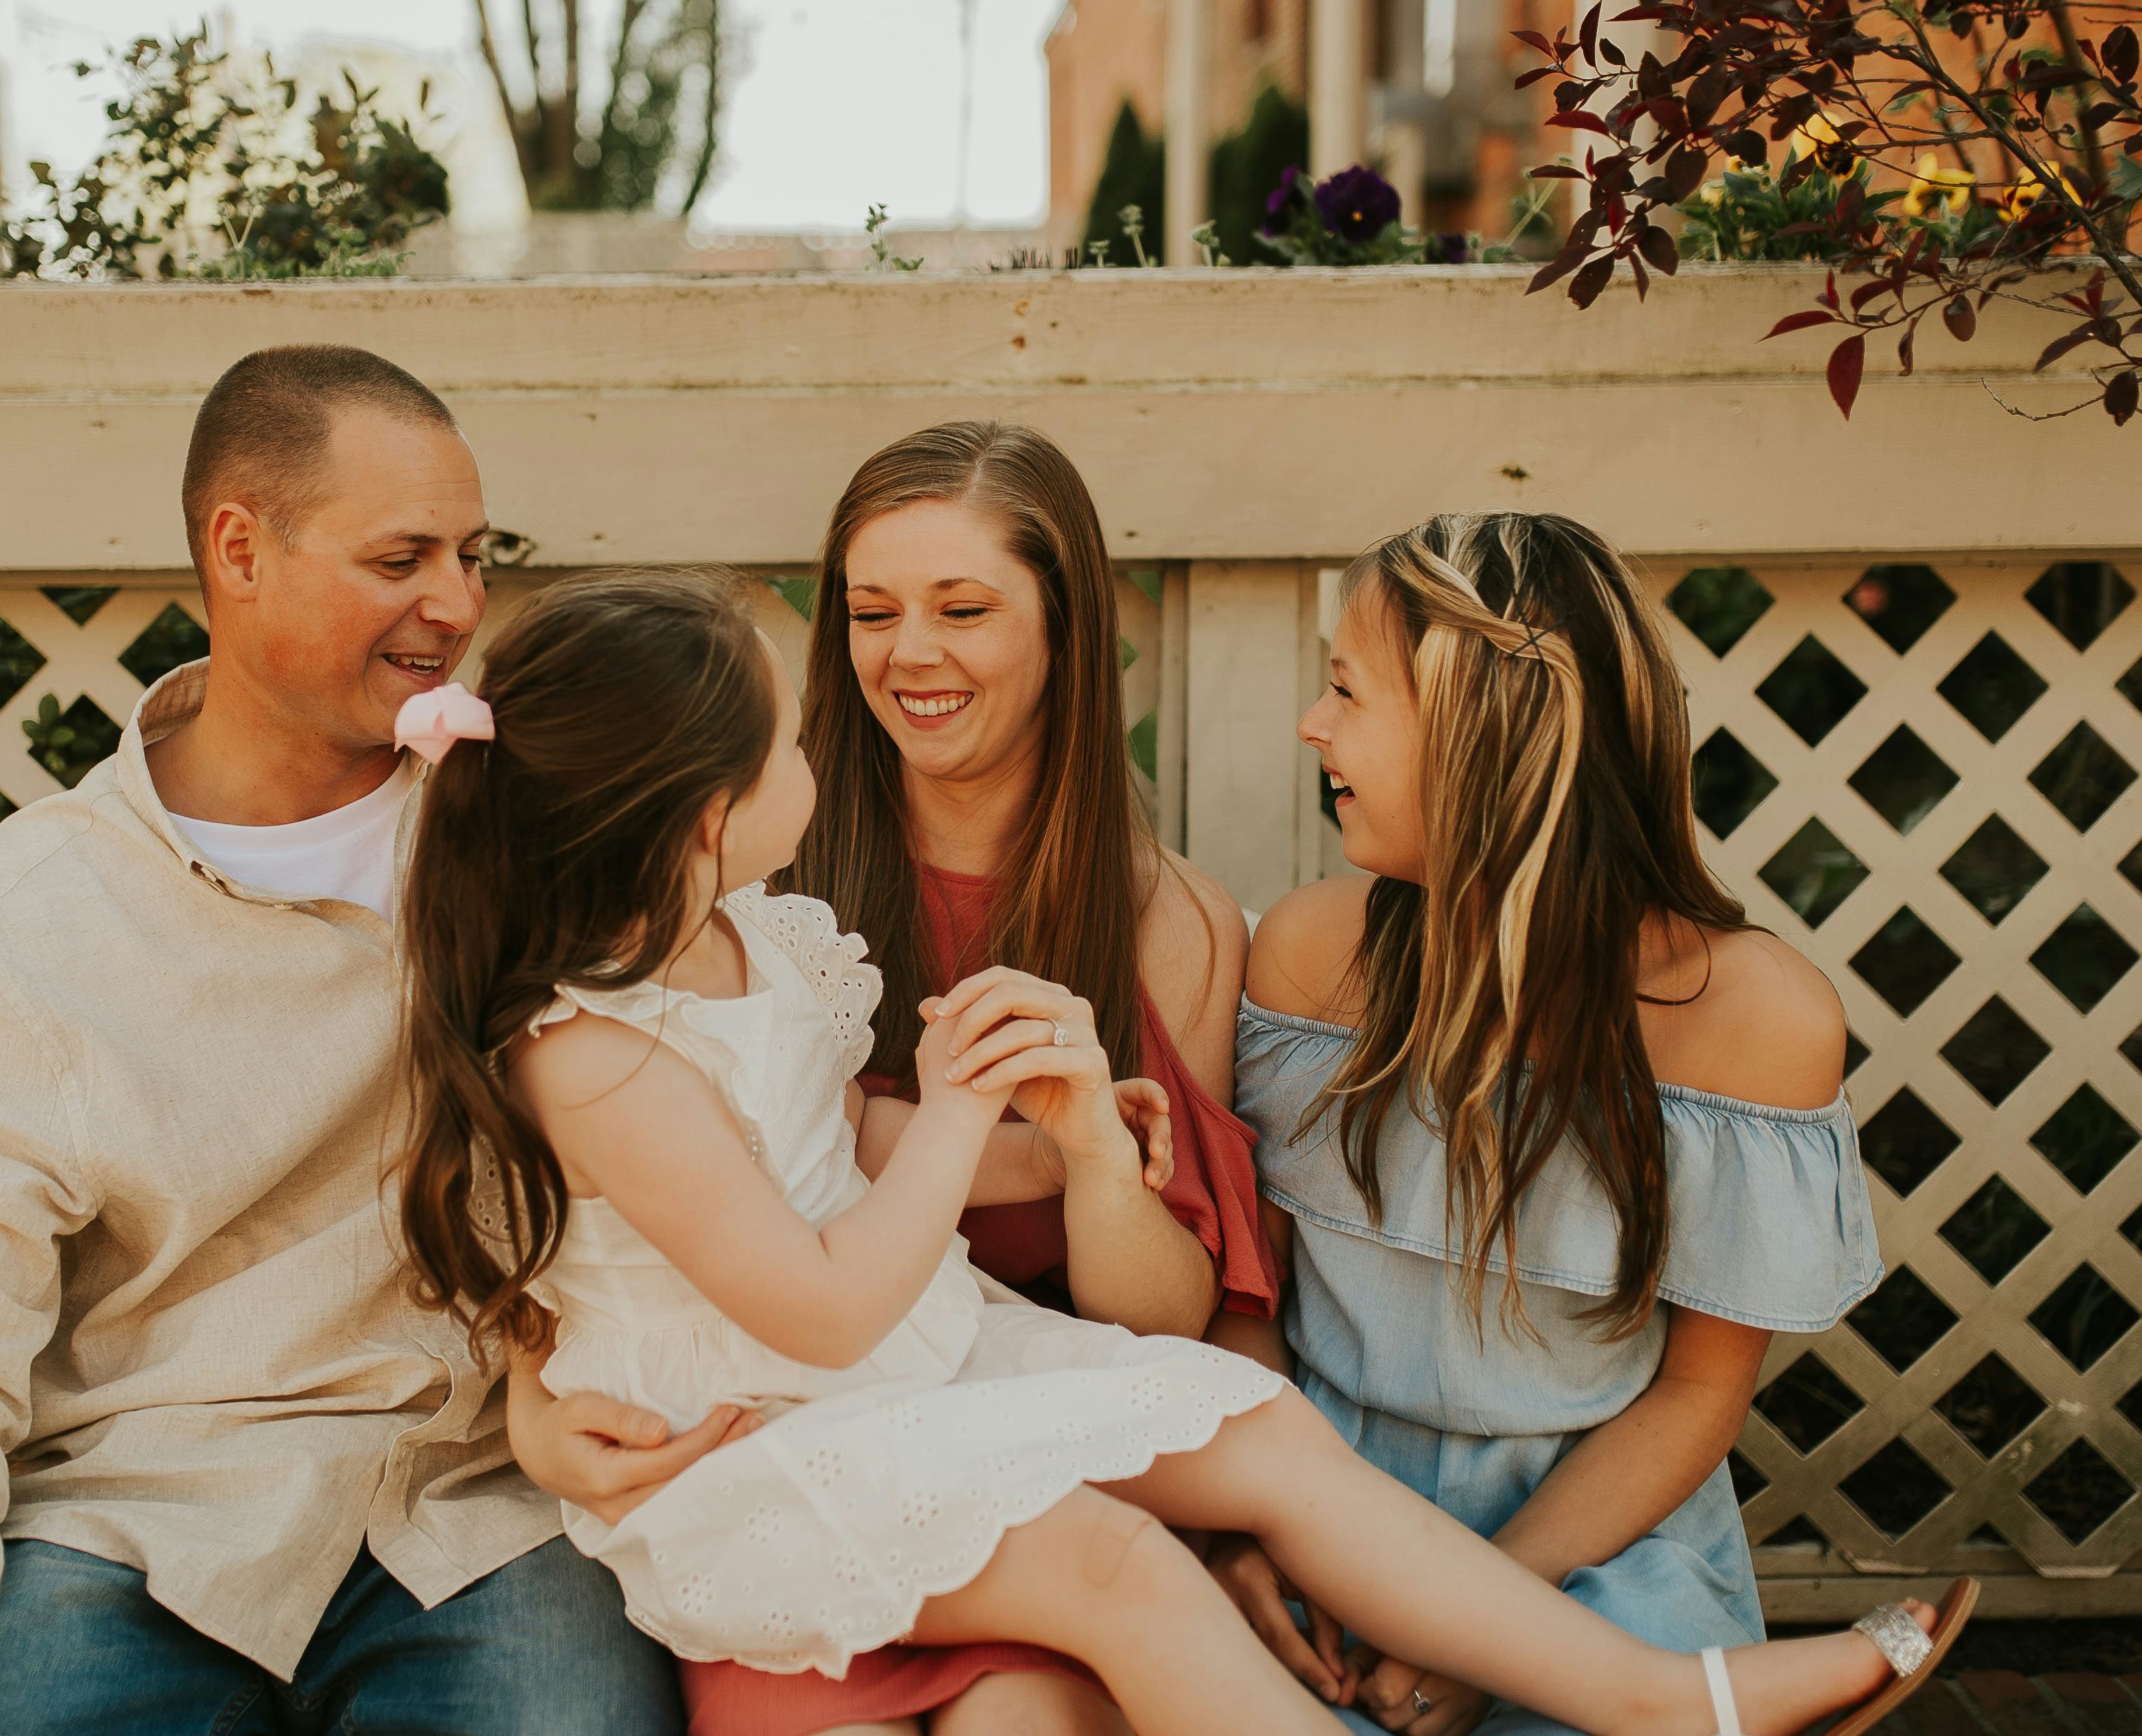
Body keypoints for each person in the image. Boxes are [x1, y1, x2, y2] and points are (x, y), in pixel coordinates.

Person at [387, 566, 1973, 1736]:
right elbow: (812, 1299)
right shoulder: (590, 1048)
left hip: (889, 1382)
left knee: (1263, 1428)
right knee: (1119, 1569)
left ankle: (1648, 1697)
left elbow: (821, 1143)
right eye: (790, 733)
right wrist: (951, 1111)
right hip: (759, 1447)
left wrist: (1057, 1145)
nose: (828, 742)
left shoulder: (756, 940)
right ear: (703, 807)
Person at [0, 347, 714, 1735]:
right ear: (239, 551)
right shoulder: (22, 938)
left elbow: (736, 1099)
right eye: (402, 558)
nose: (456, 605)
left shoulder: (541, 844)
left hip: (477, 1510)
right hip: (135, 1521)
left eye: (472, 555)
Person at [1216, 514, 1897, 1736]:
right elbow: (1247, 1300)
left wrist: (1479, 1621)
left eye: (1345, 690)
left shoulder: (1751, 1018)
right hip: (1315, 1500)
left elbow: (1697, 1394)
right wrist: (1250, 1526)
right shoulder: (1311, 955)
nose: (1313, 726)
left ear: (1483, 728)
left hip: (1592, 1542)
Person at [652, 419, 1270, 1736]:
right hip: (789, 1466)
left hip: (1053, 1489)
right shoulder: (757, 893)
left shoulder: (1176, 929)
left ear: (1067, 629)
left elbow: (1174, 1321)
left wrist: (1097, 1155)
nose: (909, 653)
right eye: (873, 611)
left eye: (966, 608)